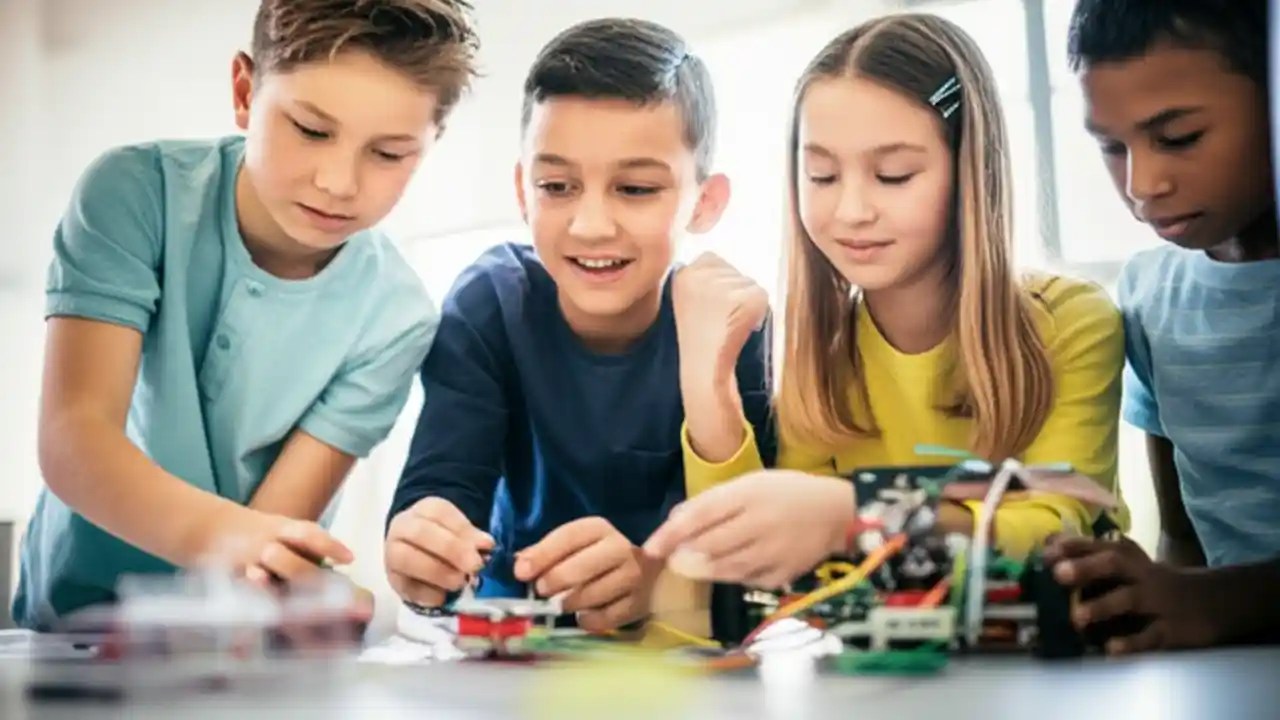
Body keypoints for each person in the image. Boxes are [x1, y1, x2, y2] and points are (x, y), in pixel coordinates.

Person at [12, 0, 479, 630]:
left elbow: (274, 531)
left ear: (428, 146)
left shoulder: (397, 317)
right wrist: (249, 545)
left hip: (233, 640)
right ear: (244, 90)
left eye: (389, 153)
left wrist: (281, 572)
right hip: (72, 621)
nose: (338, 182)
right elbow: (76, 438)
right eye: (312, 130)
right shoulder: (132, 194)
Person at [644, 13, 1124, 591]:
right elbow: (764, 573)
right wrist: (708, 382)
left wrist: (856, 515)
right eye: (821, 176)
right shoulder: (818, 355)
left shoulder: (1071, 322)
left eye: (893, 175)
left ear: (972, 171)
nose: (851, 211)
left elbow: (1057, 525)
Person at [382, 18, 774, 634]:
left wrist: (653, 577)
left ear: (705, 202)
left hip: (681, 657)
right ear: (522, 191)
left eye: (636, 188)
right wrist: (424, 550)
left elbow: (761, 568)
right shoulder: (491, 306)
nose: (591, 224)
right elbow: (442, 490)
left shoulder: (731, 322)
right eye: (557, 186)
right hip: (508, 655)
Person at [1045, 0, 1280, 654]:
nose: (1143, 183)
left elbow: (1206, 595)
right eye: (1112, 147)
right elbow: (1182, 541)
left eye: (1178, 137)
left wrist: (1218, 605)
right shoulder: (1149, 295)